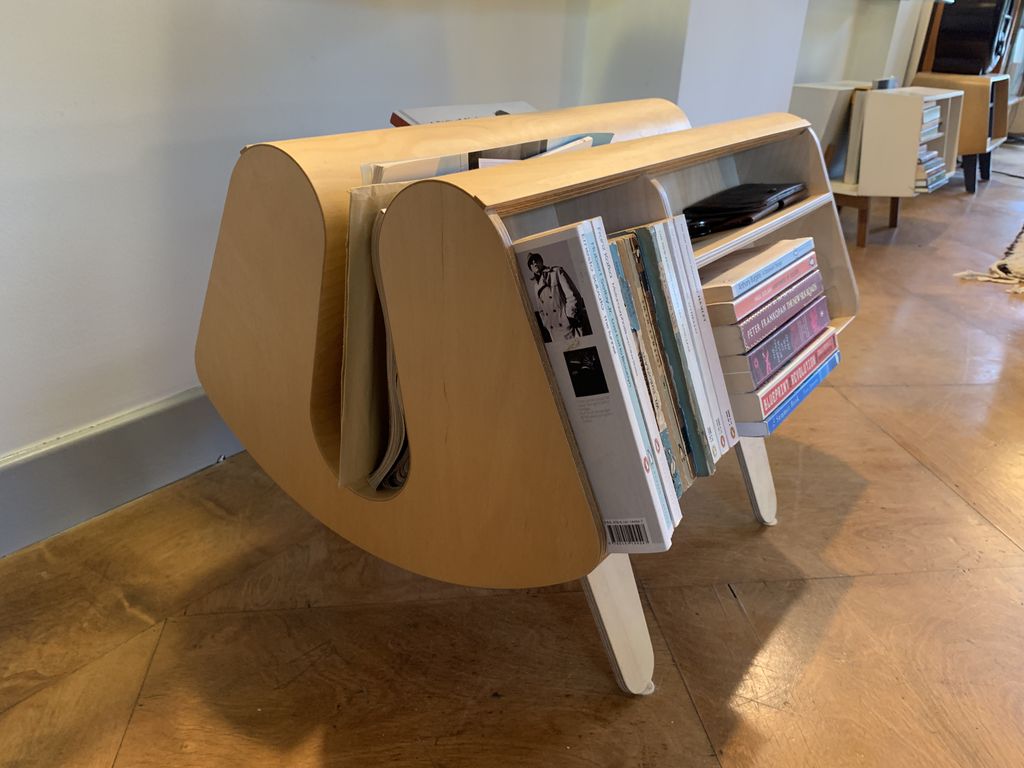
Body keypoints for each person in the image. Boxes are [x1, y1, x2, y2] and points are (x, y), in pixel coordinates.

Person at [526, 252, 591, 341]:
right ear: (530, 268)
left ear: (541, 261)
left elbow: (572, 295)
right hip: (554, 331)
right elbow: (541, 310)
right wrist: (547, 324)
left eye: (536, 259)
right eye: (531, 262)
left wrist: (569, 315)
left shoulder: (556, 272)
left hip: (569, 325)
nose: (534, 262)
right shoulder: (536, 286)